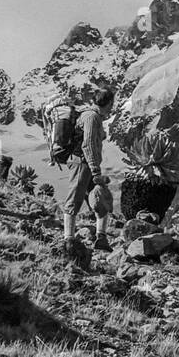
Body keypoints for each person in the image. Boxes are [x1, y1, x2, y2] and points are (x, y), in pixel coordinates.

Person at [62, 86, 115, 251]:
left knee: (101, 200)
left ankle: (101, 238)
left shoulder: (92, 116)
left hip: (87, 164)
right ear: (108, 103)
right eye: (112, 104)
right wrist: (96, 171)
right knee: (75, 199)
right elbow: (89, 145)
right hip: (82, 163)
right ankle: (68, 240)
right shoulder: (91, 117)